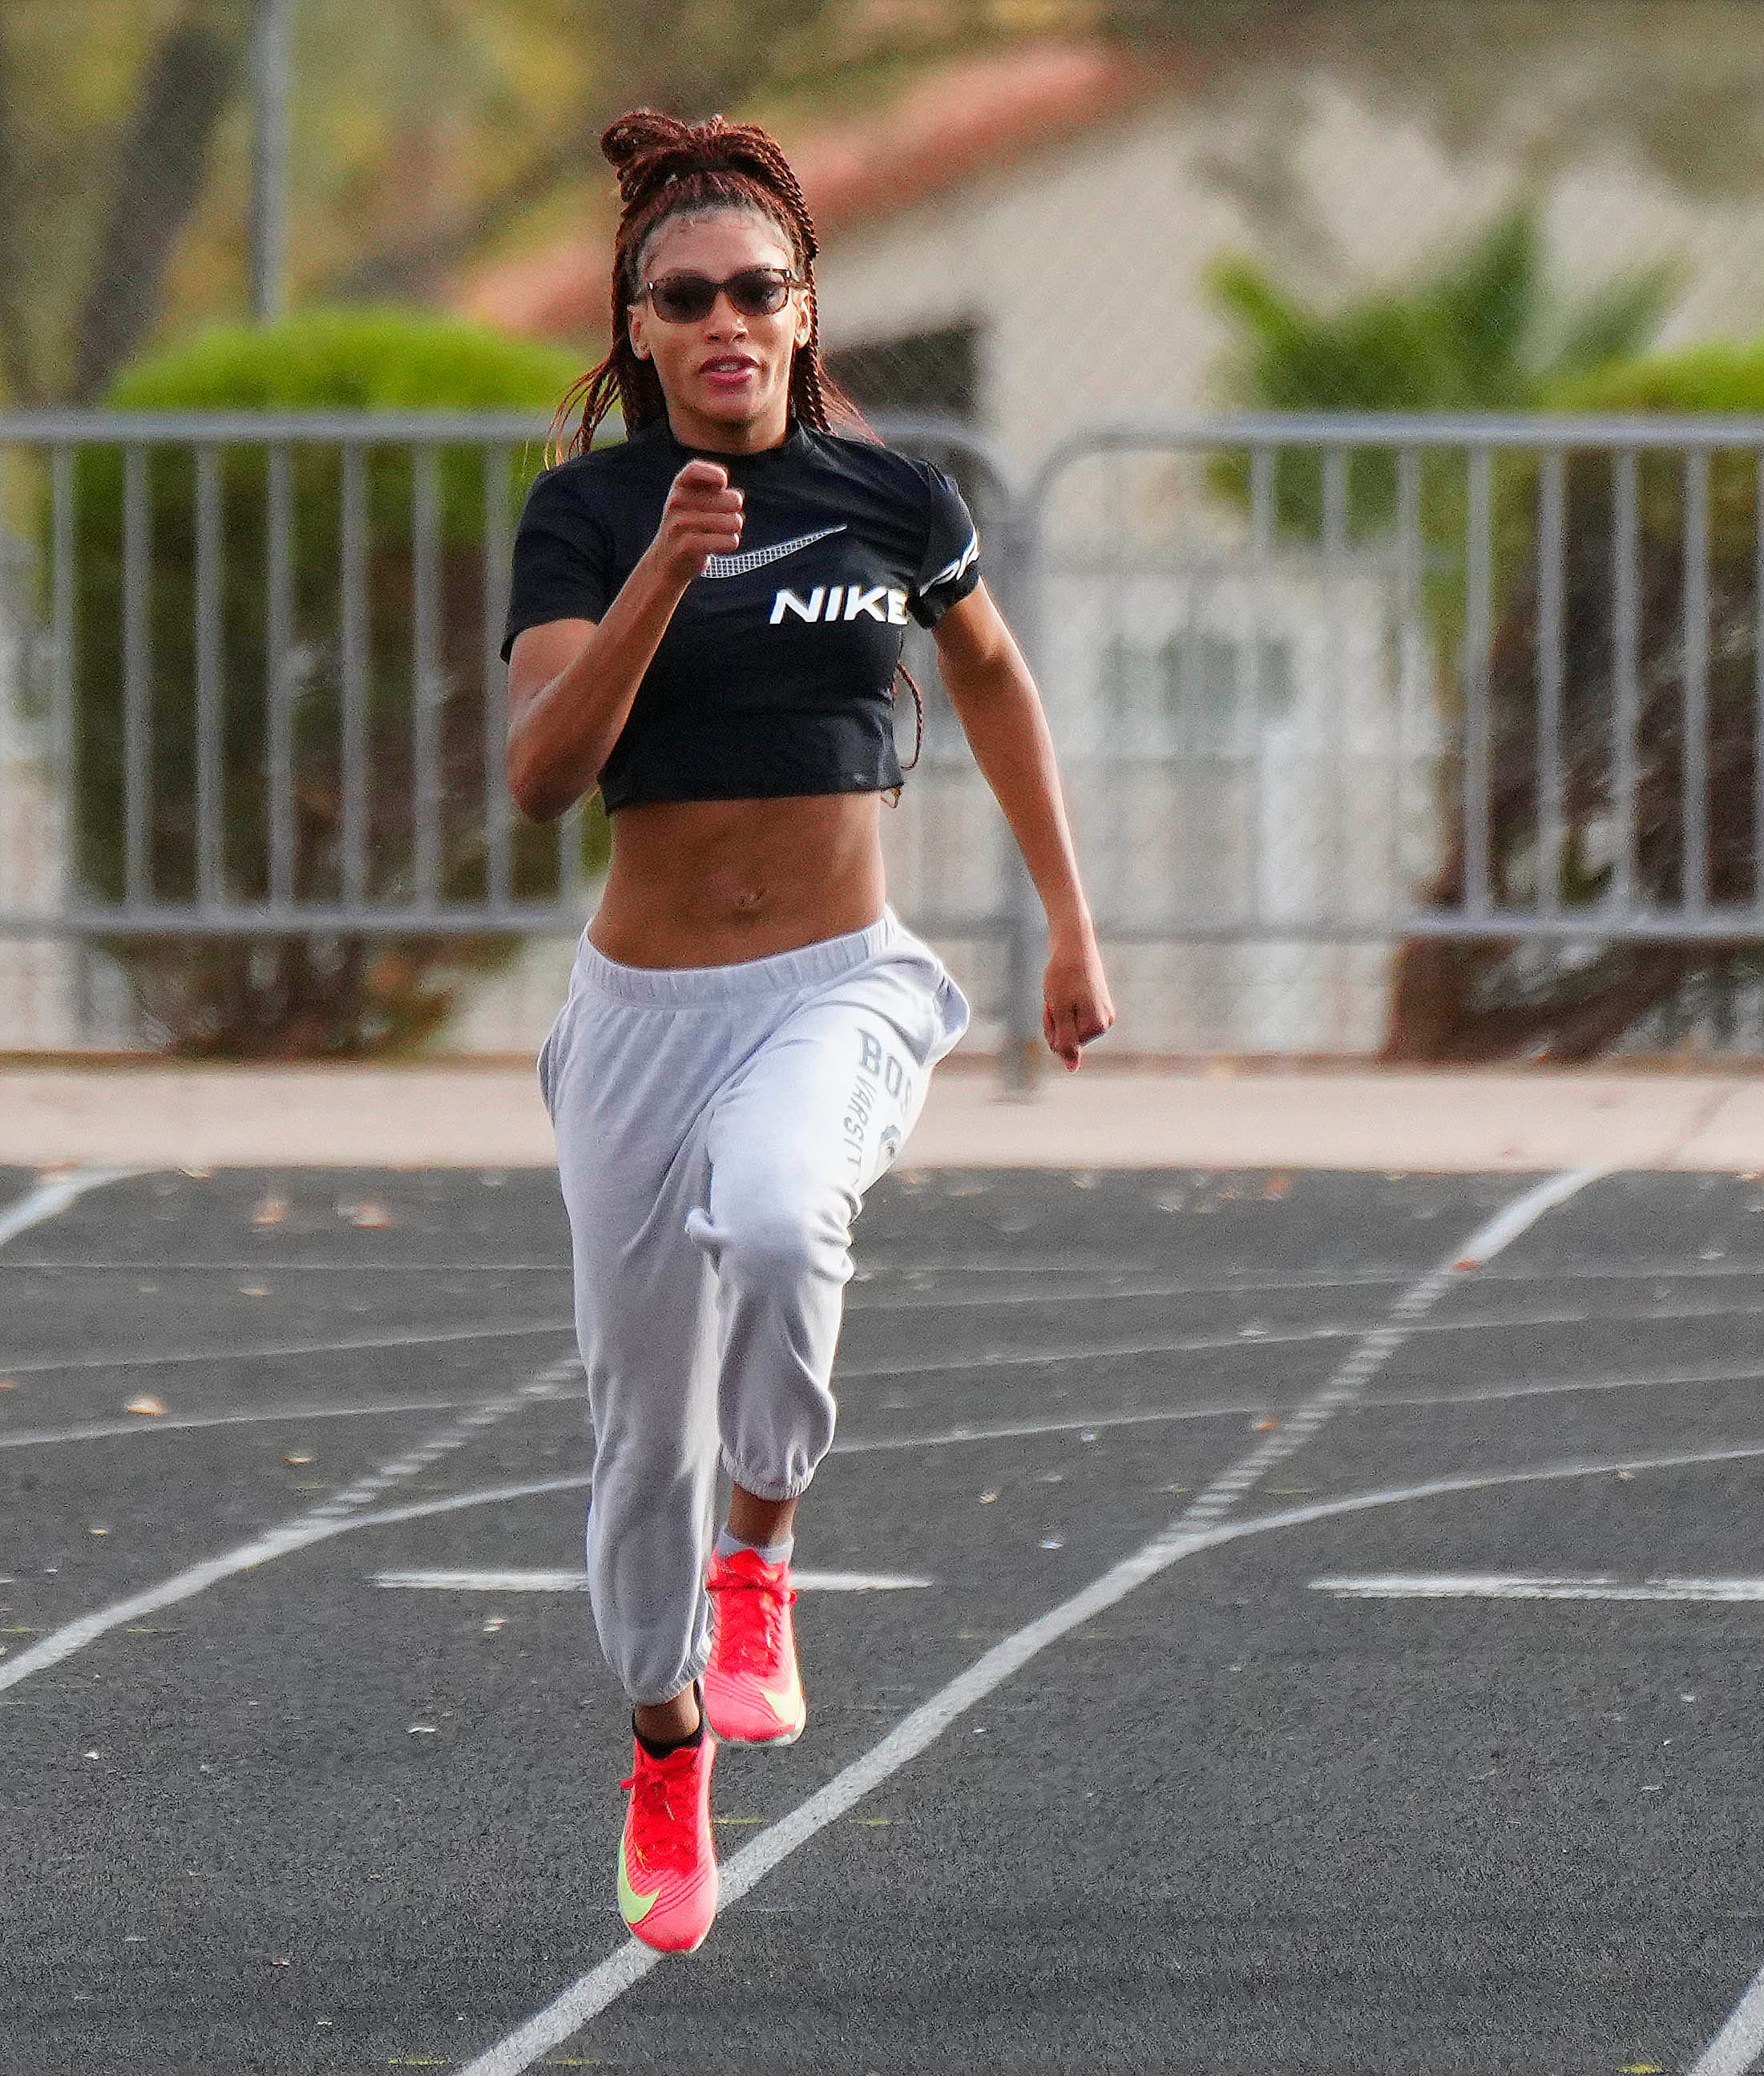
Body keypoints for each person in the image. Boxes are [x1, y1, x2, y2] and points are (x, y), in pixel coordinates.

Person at [504, 110, 1114, 1953]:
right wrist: (662, 577)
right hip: (639, 1013)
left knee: (783, 1221)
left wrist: (1069, 921)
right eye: (680, 299)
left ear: (800, 306)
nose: (721, 322)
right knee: (636, 1445)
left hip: (833, 982)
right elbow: (541, 777)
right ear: (636, 330)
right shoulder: (590, 515)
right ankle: (664, 1737)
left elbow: (993, 676)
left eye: (754, 289)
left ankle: (763, 1555)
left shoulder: (893, 498)